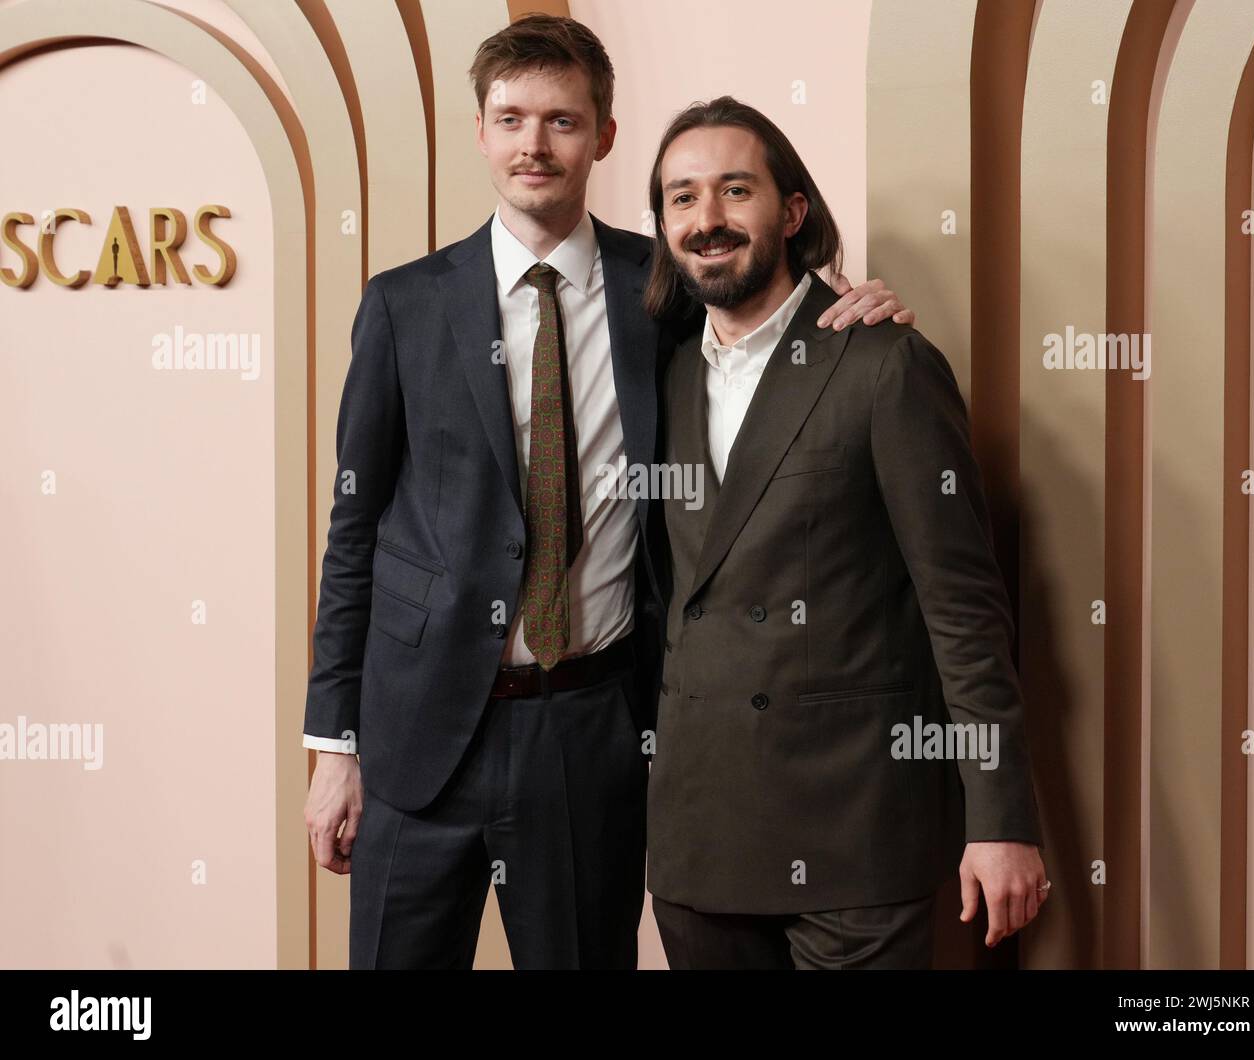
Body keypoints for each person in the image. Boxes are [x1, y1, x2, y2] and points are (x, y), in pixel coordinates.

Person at [301, 17, 913, 969]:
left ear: (605, 135)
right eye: (510, 120)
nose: (533, 146)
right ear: (480, 133)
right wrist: (334, 745)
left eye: (561, 121)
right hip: (417, 735)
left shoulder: (662, 288)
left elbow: (764, 312)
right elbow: (353, 533)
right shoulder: (403, 304)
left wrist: (847, 305)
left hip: (591, 730)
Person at [644, 96, 1048, 969]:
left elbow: (965, 613)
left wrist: (1001, 820)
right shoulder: (662, 372)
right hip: (698, 838)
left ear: (792, 212)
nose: (707, 220)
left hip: (855, 836)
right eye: (681, 198)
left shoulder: (885, 365)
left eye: (734, 190)